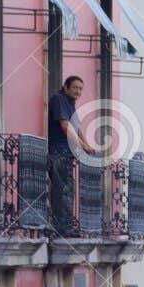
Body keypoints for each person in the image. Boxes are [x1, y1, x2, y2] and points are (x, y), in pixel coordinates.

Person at [47, 75, 95, 230]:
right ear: (66, 87)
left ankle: (66, 225)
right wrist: (83, 146)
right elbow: (66, 126)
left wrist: (87, 145)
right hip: (58, 152)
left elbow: (77, 127)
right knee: (62, 190)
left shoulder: (71, 104)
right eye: (75, 87)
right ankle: (62, 227)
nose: (78, 91)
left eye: (81, 89)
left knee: (67, 189)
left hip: (67, 153)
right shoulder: (59, 99)